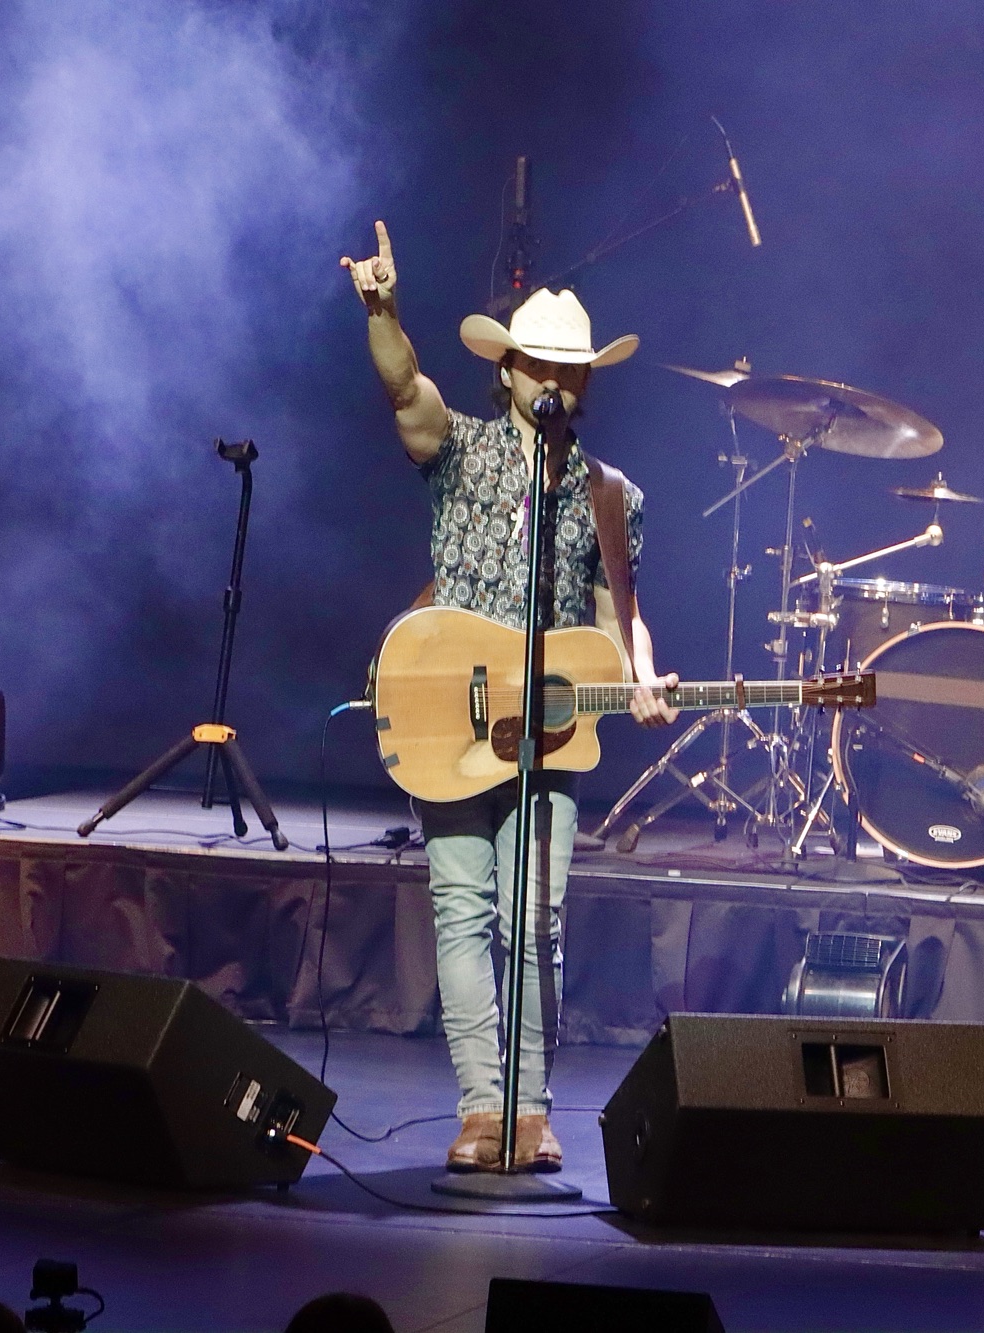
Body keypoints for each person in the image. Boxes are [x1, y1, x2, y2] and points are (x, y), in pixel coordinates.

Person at [342, 221, 677, 1172]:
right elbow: (405, 387)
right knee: (461, 908)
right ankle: (479, 1108)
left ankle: (530, 1111)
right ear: (509, 369)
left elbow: (621, 612)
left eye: (574, 372)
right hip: (450, 708)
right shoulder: (465, 451)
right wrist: (383, 312)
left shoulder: (614, 494)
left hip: (550, 728)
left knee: (534, 921)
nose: (557, 384)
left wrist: (643, 676)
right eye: (541, 366)